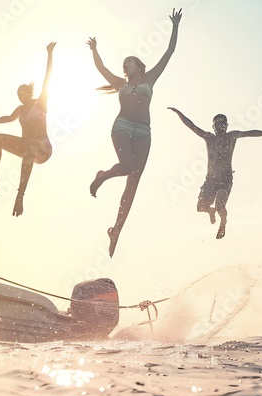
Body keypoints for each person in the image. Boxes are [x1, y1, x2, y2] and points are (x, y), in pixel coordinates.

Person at [87, 8, 182, 257]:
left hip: (143, 131)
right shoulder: (121, 83)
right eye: (124, 63)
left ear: (138, 65)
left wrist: (174, 26)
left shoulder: (150, 78)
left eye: (129, 61)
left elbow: (169, 53)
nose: (125, 65)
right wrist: (94, 49)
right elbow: (101, 68)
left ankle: (116, 230)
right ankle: (103, 176)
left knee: (133, 183)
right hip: (122, 126)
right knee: (127, 165)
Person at [168, 108, 262, 239]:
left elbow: (251, 132)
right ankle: (210, 211)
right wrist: (178, 113)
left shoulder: (231, 136)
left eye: (222, 123)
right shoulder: (209, 138)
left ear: (226, 126)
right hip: (210, 180)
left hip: (225, 179)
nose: (220, 126)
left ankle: (223, 222)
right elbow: (192, 126)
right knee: (200, 207)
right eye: (217, 124)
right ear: (213, 127)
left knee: (220, 204)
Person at [0, 42, 56, 217]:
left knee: (32, 144)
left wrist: (49, 53)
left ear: (29, 93)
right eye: (18, 95)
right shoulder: (20, 110)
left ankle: (20, 196)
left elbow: (47, 79)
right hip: (26, 145)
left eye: (23, 93)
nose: (20, 97)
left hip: (43, 148)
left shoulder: (40, 102)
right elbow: (10, 118)